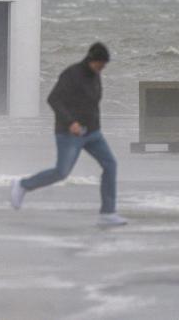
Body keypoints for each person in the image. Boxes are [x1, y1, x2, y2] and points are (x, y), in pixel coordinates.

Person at [9, 42, 127, 227]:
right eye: (100, 64)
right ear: (91, 60)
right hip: (69, 134)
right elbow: (53, 99)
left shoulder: (95, 75)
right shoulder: (72, 74)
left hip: (93, 133)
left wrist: (93, 125)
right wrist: (70, 122)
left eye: (104, 65)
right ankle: (23, 185)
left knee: (110, 164)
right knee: (61, 172)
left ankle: (108, 212)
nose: (102, 68)